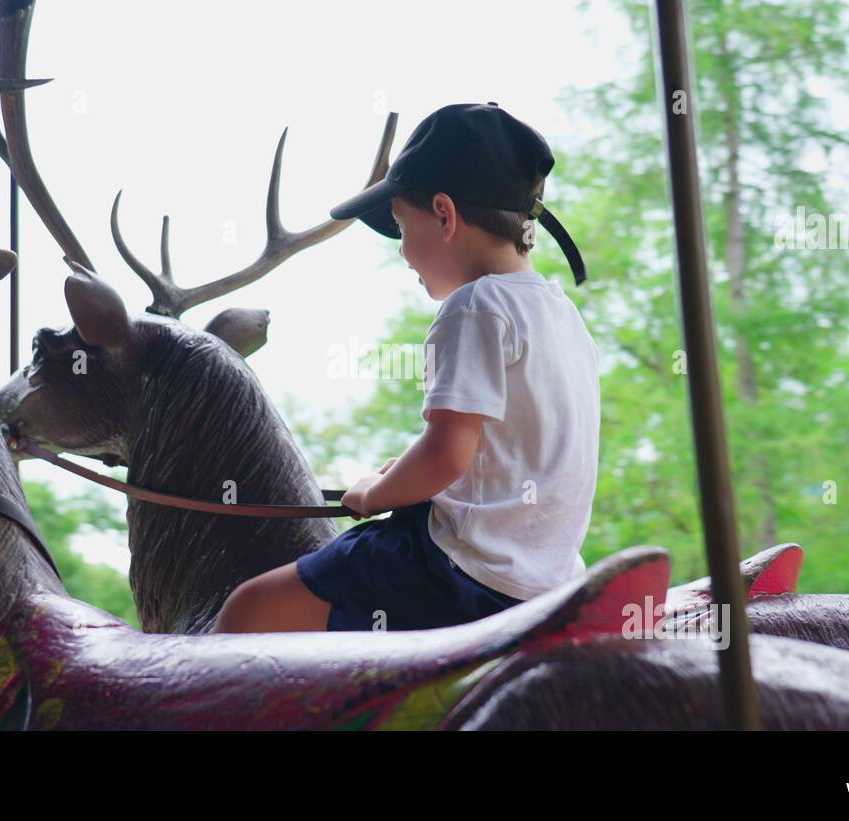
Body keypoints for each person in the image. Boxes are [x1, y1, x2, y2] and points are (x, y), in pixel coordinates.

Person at [212, 102, 600, 633]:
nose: (403, 253)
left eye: (400, 227)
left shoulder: (474, 307)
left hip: (459, 574)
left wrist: (373, 495)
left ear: (444, 214)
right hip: (545, 583)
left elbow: (446, 455)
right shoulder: (562, 316)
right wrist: (403, 472)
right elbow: (499, 451)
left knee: (247, 611)